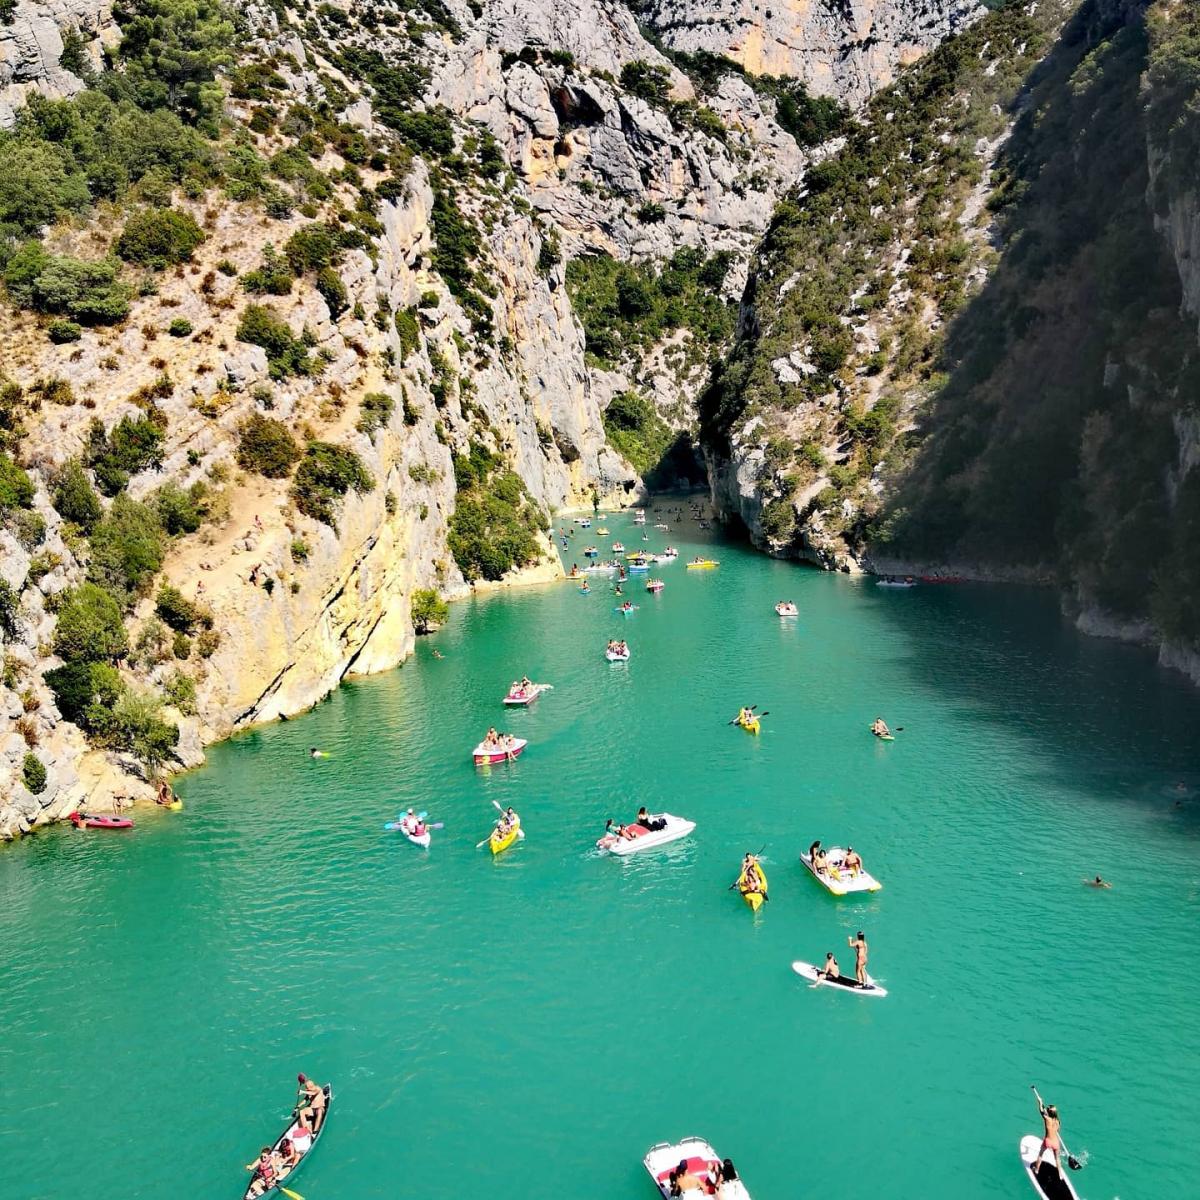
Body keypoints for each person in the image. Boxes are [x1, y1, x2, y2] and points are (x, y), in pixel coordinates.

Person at [1034, 1095, 1064, 1176]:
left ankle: (1036, 1170)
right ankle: (1060, 1175)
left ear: (1049, 1113)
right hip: (1056, 1143)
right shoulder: (1058, 1122)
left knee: (1040, 1155)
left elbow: (1041, 1111)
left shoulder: (1047, 1119)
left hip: (1047, 1141)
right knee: (1057, 1159)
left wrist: (1040, 1102)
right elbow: (1058, 1130)